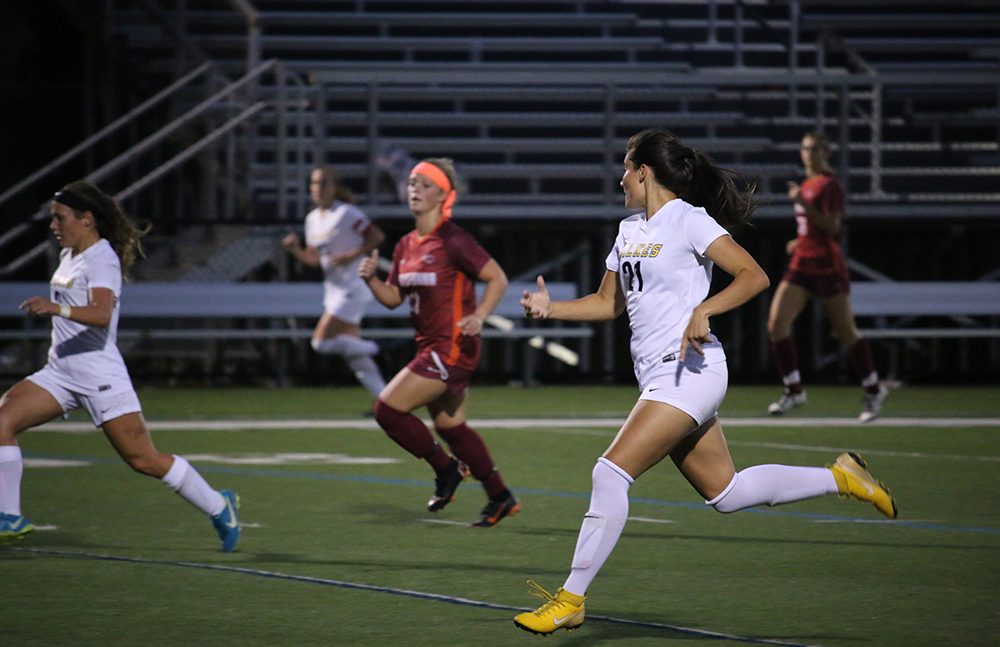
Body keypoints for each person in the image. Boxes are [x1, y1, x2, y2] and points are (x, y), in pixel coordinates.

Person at [513, 128, 897, 635]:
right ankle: (843, 476)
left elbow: (754, 276)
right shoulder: (627, 231)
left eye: (626, 168)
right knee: (727, 493)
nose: (621, 178)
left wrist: (705, 309)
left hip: (690, 371)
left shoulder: (690, 220)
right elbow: (608, 304)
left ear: (644, 171)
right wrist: (551, 308)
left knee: (610, 473)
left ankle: (570, 599)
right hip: (659, 376)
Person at [0, 181, 240, 551]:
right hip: (60, 372)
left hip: (99, 376)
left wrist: (56, 308)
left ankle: (219, 505)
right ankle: (9, 516)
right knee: (2, 421)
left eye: (59, 217)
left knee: (143, 460)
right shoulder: (70, 256)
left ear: (86, 219)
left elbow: (100, 313)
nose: (53, 225)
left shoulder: (102, 258)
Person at [358, 158, 519, 528]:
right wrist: (370, 279)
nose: (415, 188)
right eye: (412, 182)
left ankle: (447, 470)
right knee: (450, 428)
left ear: (444, 195)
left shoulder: (454, 239)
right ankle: (499, 496)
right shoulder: (404, 246)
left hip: (453, 347)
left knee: (387, 410)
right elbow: (393, 298)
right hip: (430, 347)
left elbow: (497, 278)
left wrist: (480, 315)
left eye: (424, 184)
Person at [766, 131, 888, 422]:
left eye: (817, 149)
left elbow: (833, 227)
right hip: (802, 264)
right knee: (776, 326)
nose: (811, 153)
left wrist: (803, 204)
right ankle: (794, 389)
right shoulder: (807, 184)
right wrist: (800, 240)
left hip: (827, 267)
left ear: (827, 152)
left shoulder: (829, 185)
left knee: (846, 332)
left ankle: (873, 389)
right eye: (807, 148)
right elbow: (813, 228)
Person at [282, 166, 387, 401]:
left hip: (353, 287)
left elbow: (376, 236)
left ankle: (376, 347)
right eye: (314, 183)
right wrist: (295, 250)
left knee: (320, 343)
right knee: (355, 357)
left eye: (324, 183)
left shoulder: (346, 213)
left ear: (335, 187)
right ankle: (386, 403)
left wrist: (352, 254)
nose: (318, 189)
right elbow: (314, 260)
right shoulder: (312, 220)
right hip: (333, 290)